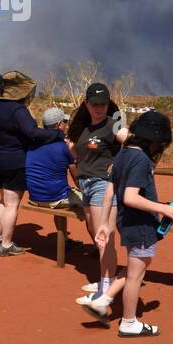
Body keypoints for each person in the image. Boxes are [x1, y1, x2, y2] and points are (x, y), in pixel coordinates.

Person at [85, 109, 173, 336]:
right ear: (155, 142)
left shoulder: (122, 155)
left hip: (124, 221)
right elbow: (130, 197)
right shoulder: (141, 160)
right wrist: (164, 208)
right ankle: (129, 322)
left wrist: (106, 224)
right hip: (140, 224)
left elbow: (110, 191)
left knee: (134, 267)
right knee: (137, 275)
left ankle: (103, 299)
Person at [0, 71, 60, 256]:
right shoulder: (18, 110)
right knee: (12, 204)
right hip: (15, 161)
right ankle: (7, 245)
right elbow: (32, 133)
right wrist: (56, 135)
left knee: (2, 199)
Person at [68, 83, 132, 310]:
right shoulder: (84, 127)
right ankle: (106, 279)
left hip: (102, 186)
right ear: (86, 104)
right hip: (85, 184)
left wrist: (118, 164)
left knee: (105, 239)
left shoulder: (113, 125)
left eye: (103, 103)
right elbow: (78, 152)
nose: (99, 108)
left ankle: (106, 290)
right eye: (94, 104)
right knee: (97, 234)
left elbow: (133, 143)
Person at [23, 107, 83, 215]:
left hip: (34, 198)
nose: (66, 125)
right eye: (65, 122)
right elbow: (77, 177)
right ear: (59, 125)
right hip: (57, 199)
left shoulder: (32, 144)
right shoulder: (64, 146)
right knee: (95, 199)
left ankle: (61, 232)